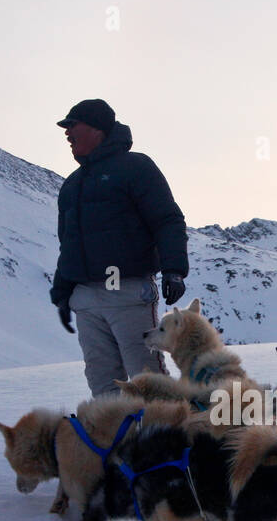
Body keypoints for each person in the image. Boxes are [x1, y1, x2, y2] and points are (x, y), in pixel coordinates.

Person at [49, 99, 189, 396]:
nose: (67, 133)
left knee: (147, 377)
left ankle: (168, 441)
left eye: (72, 125)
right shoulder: (72, 185)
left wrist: (174, 270)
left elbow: (167, 219)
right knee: (102, 381)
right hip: (85, 298)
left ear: (97, 128)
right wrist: (63, 294)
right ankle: (117, 442)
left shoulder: (136, 167)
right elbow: (69, 245)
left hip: (128, 291)